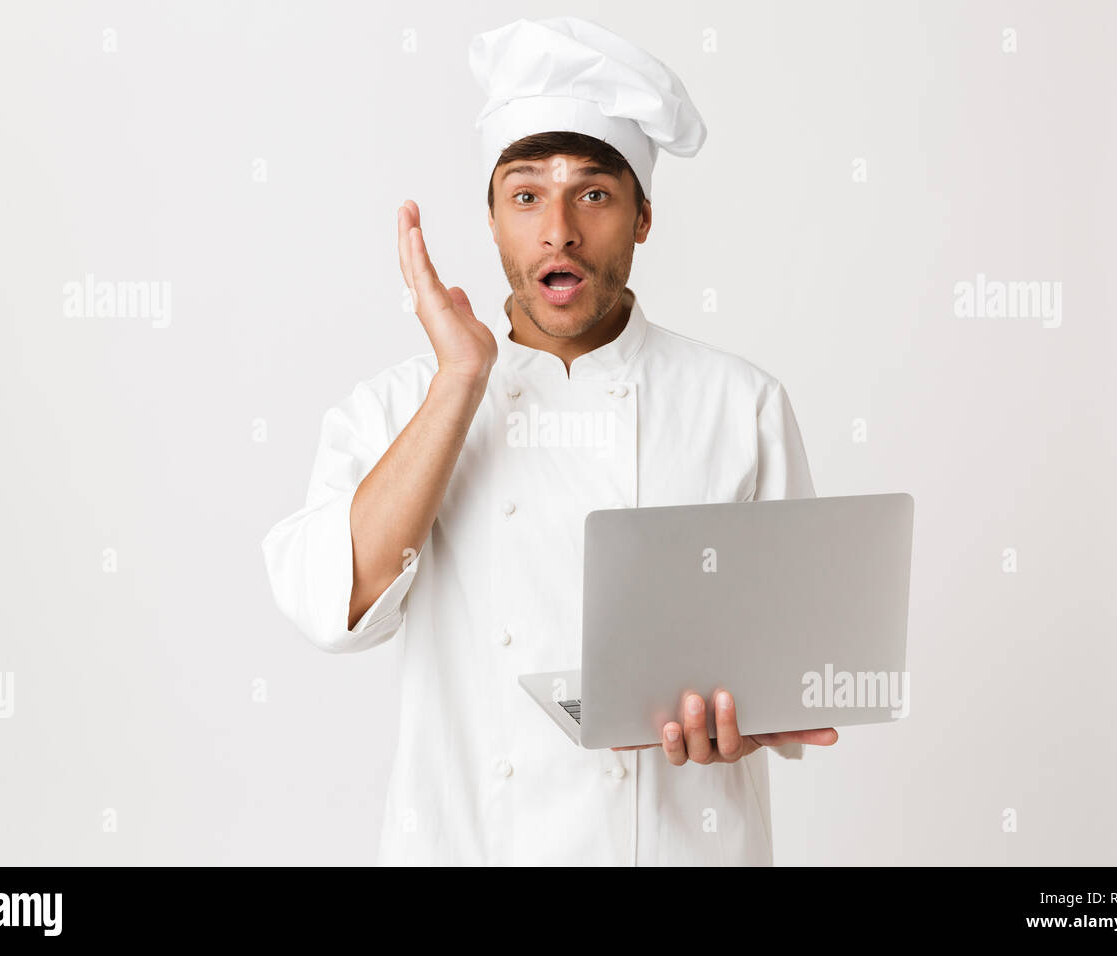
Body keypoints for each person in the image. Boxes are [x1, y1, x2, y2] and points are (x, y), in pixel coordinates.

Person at [261, 15, 837, 866]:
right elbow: (329, 609)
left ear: (643, 217)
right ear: (492, 221)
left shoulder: (738, 404)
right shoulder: (395, 408)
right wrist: (459, 381)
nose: (558, 229)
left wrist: (751, 722)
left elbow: (805, 660)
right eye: (526, 194)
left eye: (594, 194)